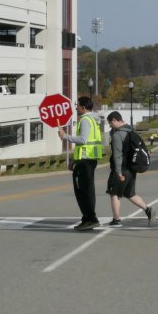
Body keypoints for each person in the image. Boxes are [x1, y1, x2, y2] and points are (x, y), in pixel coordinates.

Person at [59, 96, 103, 231]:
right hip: (88, 158)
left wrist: (65, 136)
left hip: (85, 160)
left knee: (83, 191)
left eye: (77, 105)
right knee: (87, 190)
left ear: (83, 107)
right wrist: (73, 160)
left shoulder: (85, 120)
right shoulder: (93, 119)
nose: (76, 107)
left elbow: (83, 140)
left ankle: (91, 218)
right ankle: (87, 218)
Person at [105, 112, 154, 227]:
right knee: (130, 193)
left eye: (110, 123)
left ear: (114, 120)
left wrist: (118, 173)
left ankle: (116, 220)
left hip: (121, 169)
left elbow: (117, 155)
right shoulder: (131, 132)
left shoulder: (118, 135)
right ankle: (148, 210)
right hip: (131, 169)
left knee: (114, 193)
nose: (110, 126)